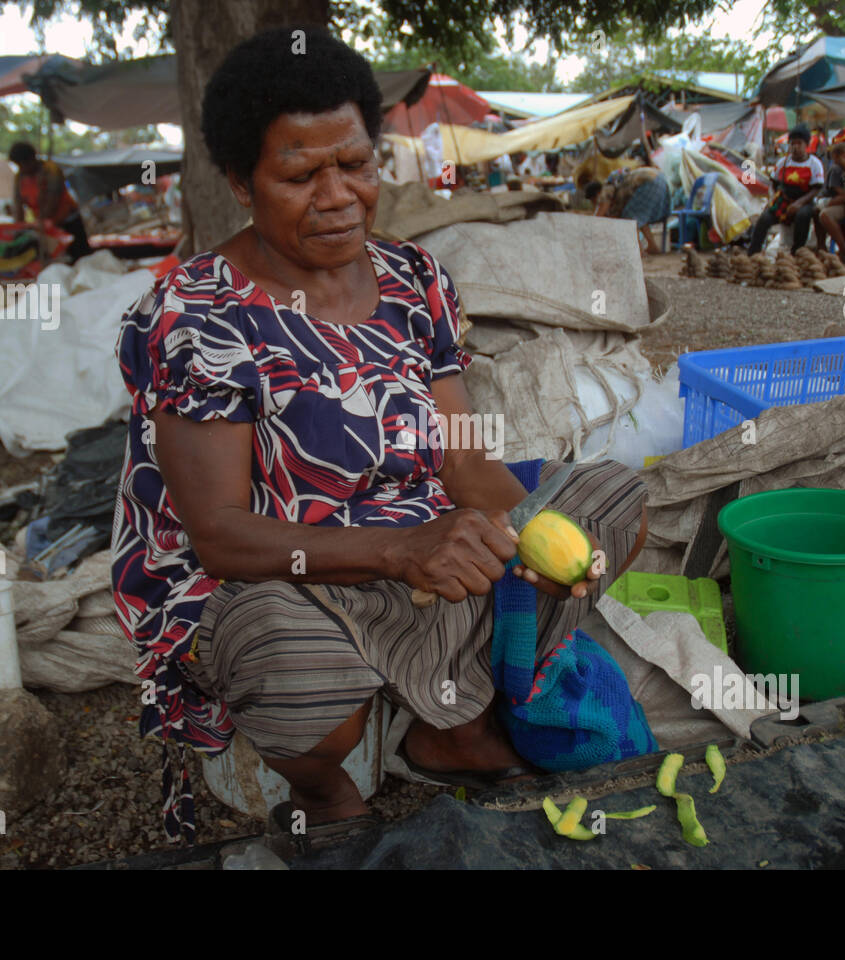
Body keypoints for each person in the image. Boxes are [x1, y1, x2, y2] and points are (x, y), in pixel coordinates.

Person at [112, 25, 649, 848]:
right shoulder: (197, 318)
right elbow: (217, 535)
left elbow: (463, 458)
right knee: (299, 669)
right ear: (238, 181)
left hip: (412, 540)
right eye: (299, 174)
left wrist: (538, 542)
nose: (337, 196)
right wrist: (401, 552)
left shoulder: (411, 281)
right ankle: (325, 790)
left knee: (610, 500)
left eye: (355, 165)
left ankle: (449, 728)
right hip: (274, 573)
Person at [7, 141, 93, 262]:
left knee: (79, 258)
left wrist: (42, 220)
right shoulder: (19, 177)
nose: (22, 168)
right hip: (45, 227)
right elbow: (18, 204)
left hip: (67, 222)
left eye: (23, 164)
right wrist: (19, 229)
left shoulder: (50, 170)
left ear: (31, 159)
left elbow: (53, 198)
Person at [746, 125, 824, 255]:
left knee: (802, 216)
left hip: (805, 201)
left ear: (807, 145)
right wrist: (773, 201)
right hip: (785, 200)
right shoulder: (783, 162)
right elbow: (774, 184)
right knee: (764, 218)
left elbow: (816, 189)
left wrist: (799, 203)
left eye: (799, 143)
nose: (795, 147)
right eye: (792, 143)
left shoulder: (815, 164)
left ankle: (797, 252)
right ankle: (753, 253)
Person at [589, 161, 672, 254]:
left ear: (596, 194)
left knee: (630, 218)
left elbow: (601, 212)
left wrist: (589, 228)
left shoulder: (606, 188)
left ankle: (638, 250)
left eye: (593, 201)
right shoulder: (618, 186)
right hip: (660, 179)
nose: (596, 203)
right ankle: (652, 246)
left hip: (649, 182)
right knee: (639, 216)